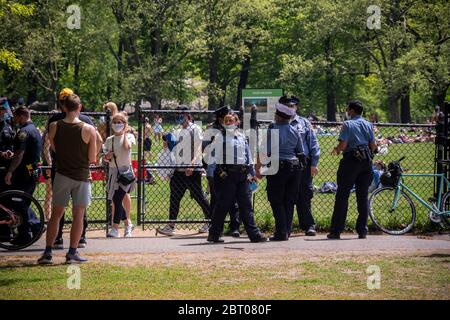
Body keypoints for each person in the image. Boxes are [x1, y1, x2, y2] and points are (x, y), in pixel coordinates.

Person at [38, 94, 98, 264]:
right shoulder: (89, 129)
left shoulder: (54, 126)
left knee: (56, 215)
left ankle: (48, 252)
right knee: (78, 215)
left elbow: (54, 150)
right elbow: (92, 158)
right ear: (80, 108)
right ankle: (72, 252)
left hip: (62, 174)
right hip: (81, 176)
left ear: (64, 107)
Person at [207, 114, 266, 243]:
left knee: (246, 205)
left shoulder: (242, 136)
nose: (228, 123)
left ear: (237, 122)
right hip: (227, 175)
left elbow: (247, 155)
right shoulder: (220, 137)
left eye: (231, 120)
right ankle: (214, 234)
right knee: (223, 205)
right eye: (226, 121)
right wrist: (211, 175)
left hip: (242, 175)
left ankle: (254, 234)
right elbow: (212, 157)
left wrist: (252, 173)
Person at [328, 100, 378, 240]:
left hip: (351, 160)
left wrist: (336, 150)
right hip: (366, 162)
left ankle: (336, 230)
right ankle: (362, 230)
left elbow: (343, 144)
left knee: (342, 195)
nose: (347, 111)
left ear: (351, 110)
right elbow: (373, 145)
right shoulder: (368, 124)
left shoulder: (348, 124)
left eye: (348, 109)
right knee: (362, 197)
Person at [157, 109, 211, 236]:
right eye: (177, 115)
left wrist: (192, 163)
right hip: (178, 169)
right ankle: (171, 226)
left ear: (187, 115)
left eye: (181, 114)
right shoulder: (177, 130)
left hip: (192, 169)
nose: (179, 117)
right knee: (174, 197)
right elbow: (174, 148)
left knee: (198, 196)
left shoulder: (195, 128)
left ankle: (210, 221)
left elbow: (199, 147)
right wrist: (167, 143)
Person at [257, 102, 305, 241]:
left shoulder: (273, 129)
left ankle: (281, 232)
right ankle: (286, 231)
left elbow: (264, 151)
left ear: (278, 116)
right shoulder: (295, 129)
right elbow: (300, 151)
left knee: (276, 200)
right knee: (289, 201)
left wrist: (259, 169)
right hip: (294, 167)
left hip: (278, 167)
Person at [3, 106, 42, 245]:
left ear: (21, 116)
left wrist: (10, 171)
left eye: (16, 117)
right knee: (22, 202)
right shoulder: (35, 130)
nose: (15, 120)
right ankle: (29, 230)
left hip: (24, 173)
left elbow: (20, 154)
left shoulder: (24, 132)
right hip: (33, 170)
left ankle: (32, 228)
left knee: (19, 202)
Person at [205, 106, 241, 237]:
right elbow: (207, 150)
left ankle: (234, 227)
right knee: (217, 200)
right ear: (221, 118)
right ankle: (215, 228)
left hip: (233, 169)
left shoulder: (233, 128)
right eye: (228, 115)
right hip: (219, 170)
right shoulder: (213, 130)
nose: (230, 116)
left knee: (234, 200)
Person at [288, 96, 321, 236]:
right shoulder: (277, 122)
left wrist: (314, 163)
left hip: (303, 163)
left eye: (292, 106)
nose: (289, 108)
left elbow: (313, 143)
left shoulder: (304, 123)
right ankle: (285, 227)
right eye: (287, 106)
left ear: (296, 107)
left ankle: (309, 225)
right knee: (287, 195)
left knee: (305, 194)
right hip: (286, 164)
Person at [103, 112, 136, 238]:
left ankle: (115, 229)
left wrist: (125, 133)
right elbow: (105, 158)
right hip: (113, 172)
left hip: (125, 173)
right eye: (115, 122)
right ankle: (128, 224)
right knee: (115, 200)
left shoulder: (129, 137)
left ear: (125, 124)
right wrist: (107, 156)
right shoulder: (109, 140)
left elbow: (127, 147)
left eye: (120, 122)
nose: (117, 124)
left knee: (117, 199)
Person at [0, 99, 14, 193]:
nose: (6, 112)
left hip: (7, 165)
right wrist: (1, 153)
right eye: (4, 109)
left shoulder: (7, 124)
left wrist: (11, 152)